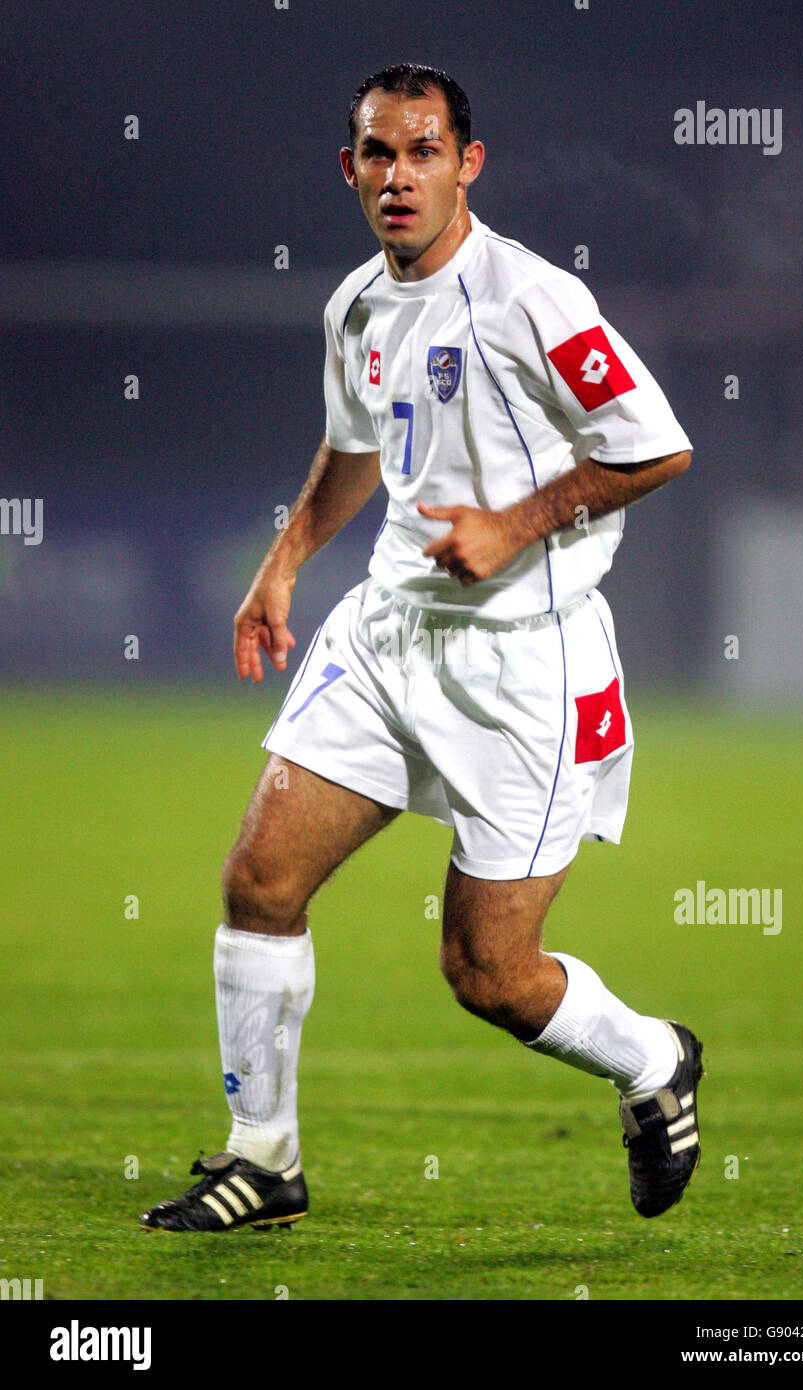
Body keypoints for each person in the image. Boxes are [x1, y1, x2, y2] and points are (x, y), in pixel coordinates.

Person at [140, 62, 702, 1234]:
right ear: (349, 169)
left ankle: (652, 1060)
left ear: (467, 163)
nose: (399, 176)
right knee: (258, 879)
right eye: (378, 155)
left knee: (486, 973)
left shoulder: (531, 300)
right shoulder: (353, 304)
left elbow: (653, 446)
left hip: (523, 666)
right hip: (388, 637)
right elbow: (352, 446)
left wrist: (515, 523)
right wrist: (283, 562)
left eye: (424, 151)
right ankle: (265, 1158)